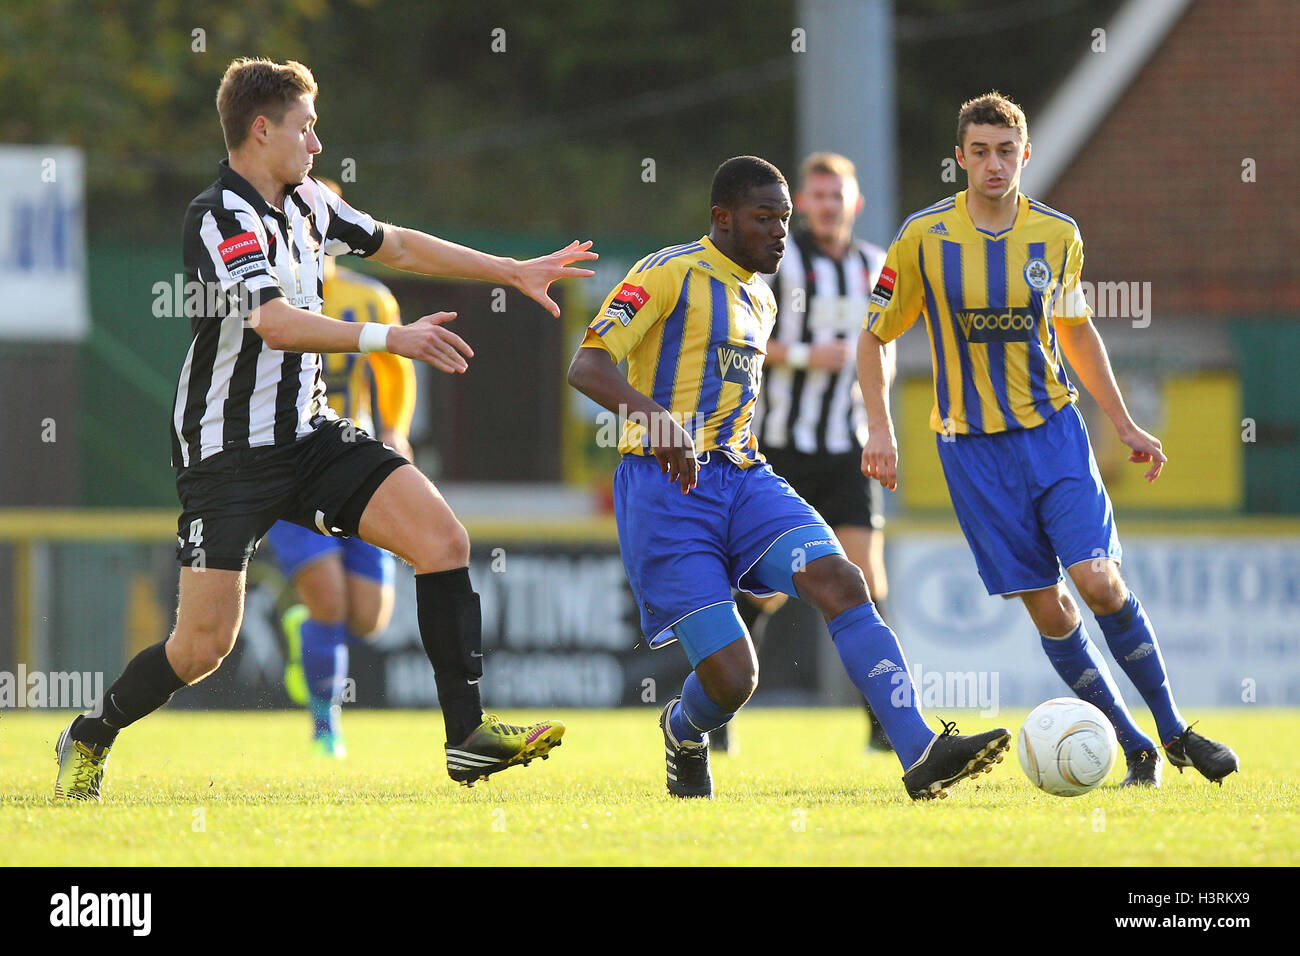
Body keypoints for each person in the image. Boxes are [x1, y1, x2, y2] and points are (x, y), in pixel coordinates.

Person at [54, 57, 596, 801]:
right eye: (306, 127)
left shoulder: (308, 201)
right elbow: (273, 323)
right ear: (261, 128)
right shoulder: (217, 216)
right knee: (203, 647)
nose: (317, 144)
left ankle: (466, 738)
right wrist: (389, 339)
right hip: (226, 452)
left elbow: (396, 244)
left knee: (444, 541)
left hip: (308, 433)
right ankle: (92, 733)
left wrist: (511, 270)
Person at [567, 155, 1010, 801]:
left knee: (842, 580)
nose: (780, 232)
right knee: (733, 679)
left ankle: (920, 753)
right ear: (722, 218)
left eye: (785, 219)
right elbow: (588, 366)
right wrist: (660, 424)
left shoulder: (762, 297)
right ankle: (683, 730)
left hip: (745, 478)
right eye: (764, 219)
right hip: (666, 492)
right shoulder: (666, 273)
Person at [857, 91, 1238, 788]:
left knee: (1097, 580)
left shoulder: (1057, 235)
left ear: (1025, 154)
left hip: (1054, 433)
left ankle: (1174, 727)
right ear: (959, 159)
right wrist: (879, 428)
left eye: (1006, 151)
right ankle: (1134, 746)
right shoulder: (923, 238)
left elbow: (1075, 330)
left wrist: (1121, 422)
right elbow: (876, 336)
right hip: (971, 451)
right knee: (1050, 605)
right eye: (979, 152)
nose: (993, 163)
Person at [730, 151, 894, 754]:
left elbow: (885, 345)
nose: (827, 206)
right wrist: (801, 357)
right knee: (766, 587)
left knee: (866, 579)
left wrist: (881, 426)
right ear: (803, 203)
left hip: (846, 446)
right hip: (780, 446)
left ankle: (883, 720)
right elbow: (740, 336)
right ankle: (717, 706)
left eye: (837, 195)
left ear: (855, 203)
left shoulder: (875, 265)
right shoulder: (780, 262)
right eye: (817, 196)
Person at [261, 177, 415, 758]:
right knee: (327, 599)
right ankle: (326, 722)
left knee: (370, 618)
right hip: (290, 463)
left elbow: (394, 374)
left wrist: (395, 433)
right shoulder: (264, 291)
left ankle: (308, 635)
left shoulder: (369, 298)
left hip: (351, 458)